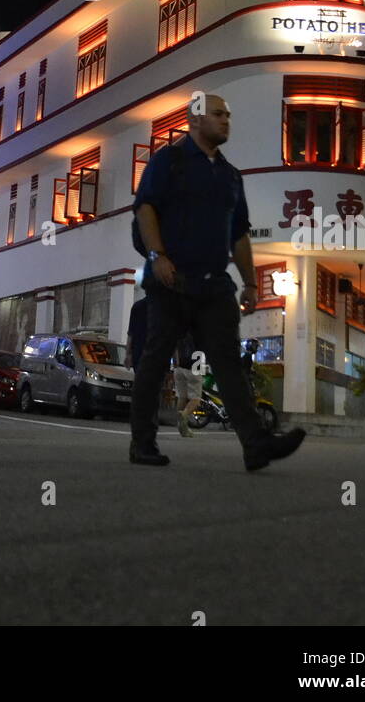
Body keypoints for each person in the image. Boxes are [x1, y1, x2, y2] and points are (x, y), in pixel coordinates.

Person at [130, 92, 306, 471]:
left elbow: (239, 234)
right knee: (156, 360)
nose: (226, 120)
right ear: (194, 120)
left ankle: (255, 446)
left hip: (215, 287)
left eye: (228, 114)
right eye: (217, 114)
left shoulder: (229, 175)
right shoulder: (168, 161)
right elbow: (145, 208)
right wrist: (158, 256)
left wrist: (251, 283)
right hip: (172, 281)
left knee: (229, 365)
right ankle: (142, 443)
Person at [174, 332, 204, 437]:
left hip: (179, 366)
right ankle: (184, 414)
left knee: (181, 396)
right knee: (196, 398)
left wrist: (176, 361)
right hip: (195, 366)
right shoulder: (200, 330)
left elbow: (174, 346)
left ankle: (182, 427)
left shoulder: (180, 329)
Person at [124, 296, 149, 371]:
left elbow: (131, 334)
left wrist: (128, 354)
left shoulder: (137, 306)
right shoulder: (162, 307)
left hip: (139, 356)